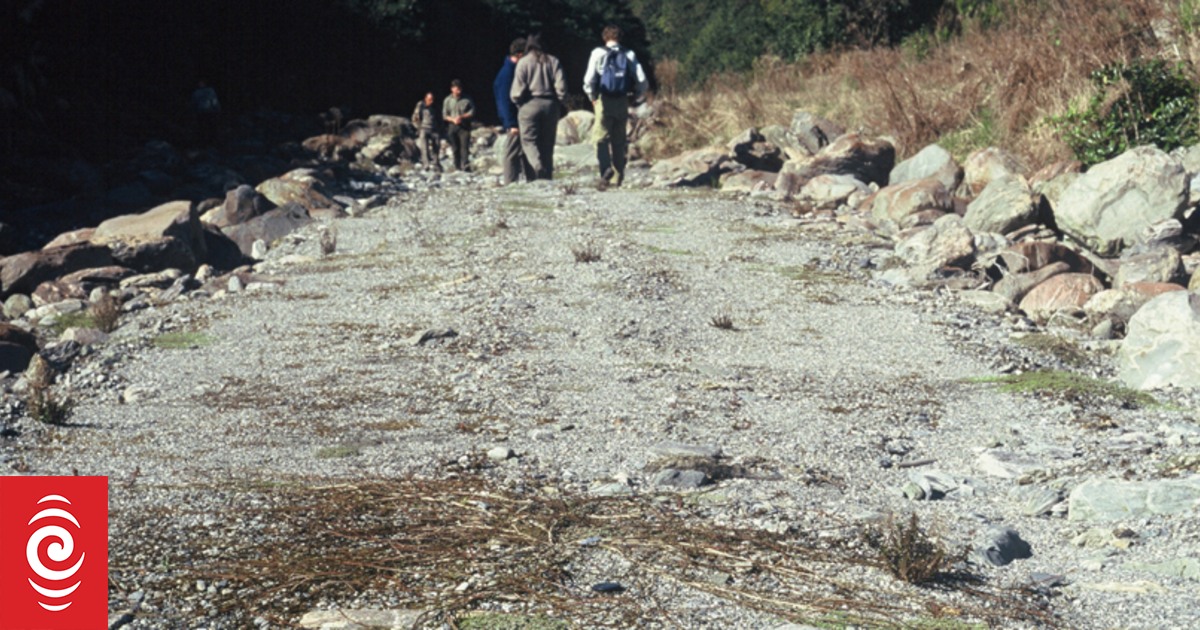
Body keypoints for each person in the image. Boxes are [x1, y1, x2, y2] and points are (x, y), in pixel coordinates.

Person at [583, 25, 648, 187]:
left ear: (604, 37)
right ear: (620, 37)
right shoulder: (629, 54)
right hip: (622, 100)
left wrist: (592, 96)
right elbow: (642, 79)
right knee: (619, 140)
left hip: (603, 100)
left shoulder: (598, 53)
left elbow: (589, 79)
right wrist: (636, 96)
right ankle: (618, 178)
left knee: (600, 139)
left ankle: (606, 169)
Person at [510, 35, 566, 181]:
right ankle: (547, 176)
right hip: (550, 105)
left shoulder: (523, 62)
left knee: (529, 141)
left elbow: (516, 91)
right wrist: (559, 101)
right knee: (548, 143)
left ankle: (537, 165)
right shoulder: (553, 61)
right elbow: (561, 87)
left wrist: (519, 103)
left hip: (529, 104)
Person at [493, 37, 533, 184]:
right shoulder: (507, 73)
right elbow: (504, 101)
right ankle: (510, 183)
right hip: (514, 121)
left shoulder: (512, 70)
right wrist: (511, 124)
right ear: (520, 54)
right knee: (511, 152)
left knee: (523, 151)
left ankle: (528, 180)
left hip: (518, 119)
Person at [442, 79, 475, 172]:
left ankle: (465, 165)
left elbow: (472, 111)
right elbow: (444, 115)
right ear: (452, 89)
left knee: (464, 147)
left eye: (460, 89)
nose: (459, 91)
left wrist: (462, 117)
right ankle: (457, 166)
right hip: (452, 126)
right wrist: (453, 119)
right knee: (455, 147)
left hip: (464, 126)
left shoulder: (467, 99)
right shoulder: (447, 100)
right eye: (457, 89)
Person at [412, 92, 442, 172]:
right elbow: (415, 117)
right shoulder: (420, 106)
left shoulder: (436, 106)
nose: (431, 101)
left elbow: (440, 117)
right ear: (425, 99)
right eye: (429, 99)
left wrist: (440, 128)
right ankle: (426, 165)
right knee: (424, 148)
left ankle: (436, 163)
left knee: (436, 146)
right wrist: (418, 127)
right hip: (423, 128)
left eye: (432, 99)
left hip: (434, 129)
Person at [190, 80, 222, 147]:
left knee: (211, 128)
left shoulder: (210, 90)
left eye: (202, 83)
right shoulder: (197, 92)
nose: (201, 84)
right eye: (200, 83)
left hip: (210, 112)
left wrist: (217, 109)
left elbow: (214, 100)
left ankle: (213, 143)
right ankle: (206, 144)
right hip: (203, 113)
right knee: (204, 128)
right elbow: (194, 104)